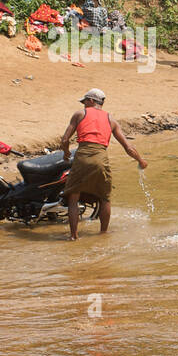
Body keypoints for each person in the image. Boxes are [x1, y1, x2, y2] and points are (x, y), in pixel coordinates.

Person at [59, 88, 147, 241]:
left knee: (74, 198)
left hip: (83, 157)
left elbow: (65, 140)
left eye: (85, 101)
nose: (84, 105)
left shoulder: (80, 114)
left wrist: (66, 153)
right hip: (102, 158)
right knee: (105, 198)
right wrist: (141, 161)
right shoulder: (111, 119)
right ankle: (103, 234)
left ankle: (73, 236)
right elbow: (128, 147)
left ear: (91, 101)